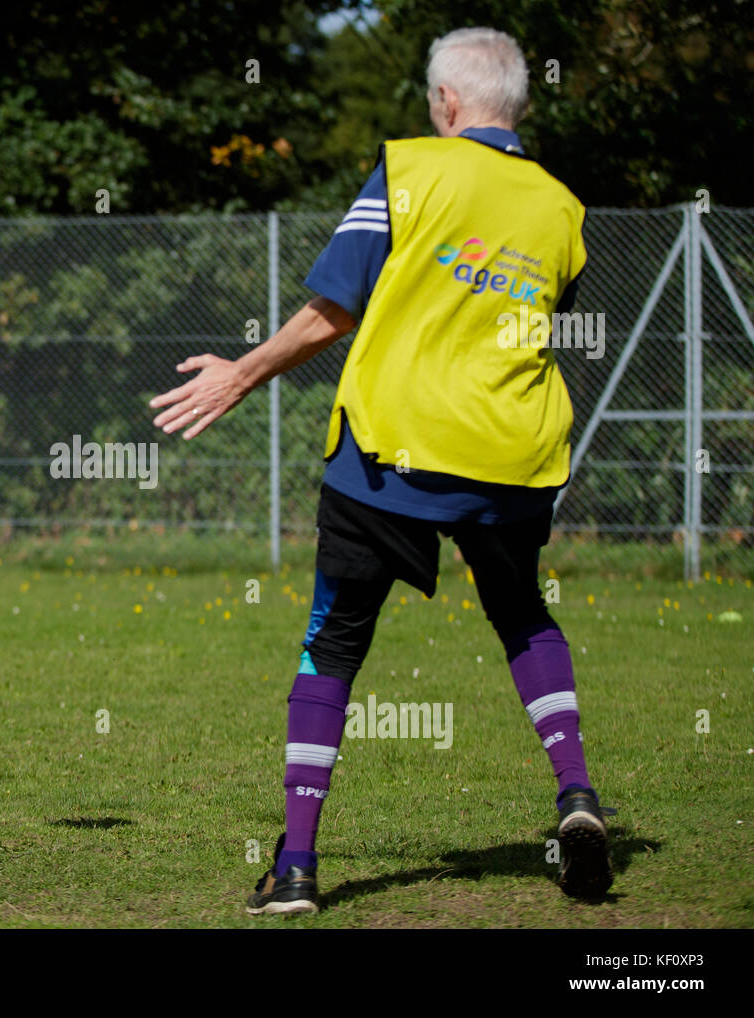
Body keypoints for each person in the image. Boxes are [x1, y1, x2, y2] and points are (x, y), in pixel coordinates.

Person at [150, 27, 612, 913]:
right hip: (513, 456)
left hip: (392, 448)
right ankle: (578, 796)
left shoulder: (410, 169)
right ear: (516, 105)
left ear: (445, 104)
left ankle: (296, 867)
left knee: (335, 643)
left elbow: (334, 309)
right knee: (522, 618)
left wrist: (241, 375)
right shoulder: (562, 208)